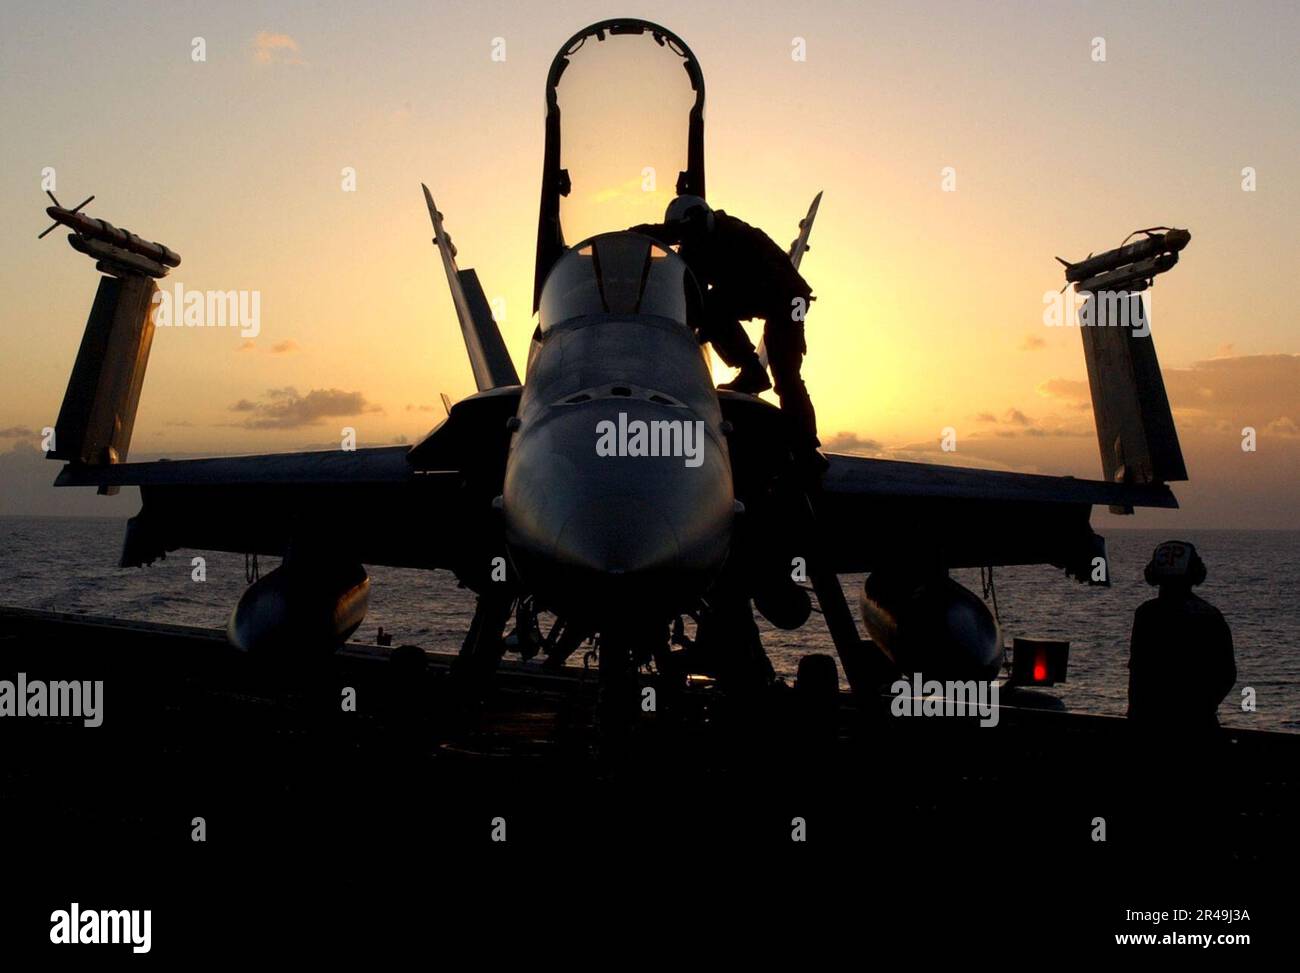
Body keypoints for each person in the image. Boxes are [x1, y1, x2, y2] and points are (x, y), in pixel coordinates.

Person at [631, 196, 821, 462]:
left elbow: (776, 286)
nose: (688, 240)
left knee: (786, 371)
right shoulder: (694, 233)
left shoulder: (736, 237)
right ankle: (753, 372)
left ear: (702, 223)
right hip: (757, 294)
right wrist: (629, 237)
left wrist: (710, 316)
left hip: (790, 300)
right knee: (709, 308)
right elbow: (665, 233)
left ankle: (806, 448)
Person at [1127, 541, 1236, 731]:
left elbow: (1138, 672)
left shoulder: (1146, 614)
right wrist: (1202, 708)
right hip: (1196, 724)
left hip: (1146, 722)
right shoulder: (1208, 614)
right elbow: (1227, 674)